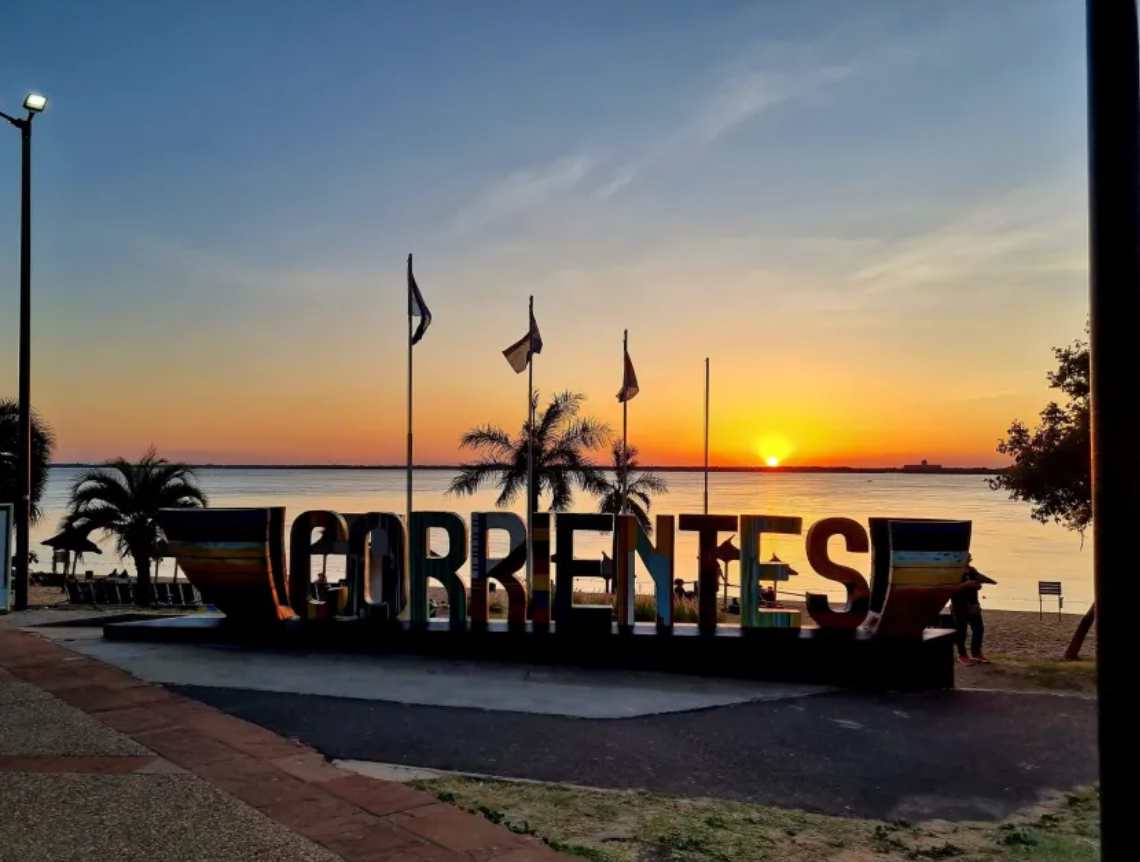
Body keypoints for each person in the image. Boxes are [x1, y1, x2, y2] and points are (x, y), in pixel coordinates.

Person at [951, 554, 997, 665]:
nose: (967, 562)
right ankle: (962, 655)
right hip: (959, 605)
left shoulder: (971, 570)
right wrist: (967, 584)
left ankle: (976, 653)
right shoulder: (953, 572)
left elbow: (979, 577)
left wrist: (987, 582)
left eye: (968, 560)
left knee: (978, 629)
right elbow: (951, 588)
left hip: (973, 605)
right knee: (962, 632)